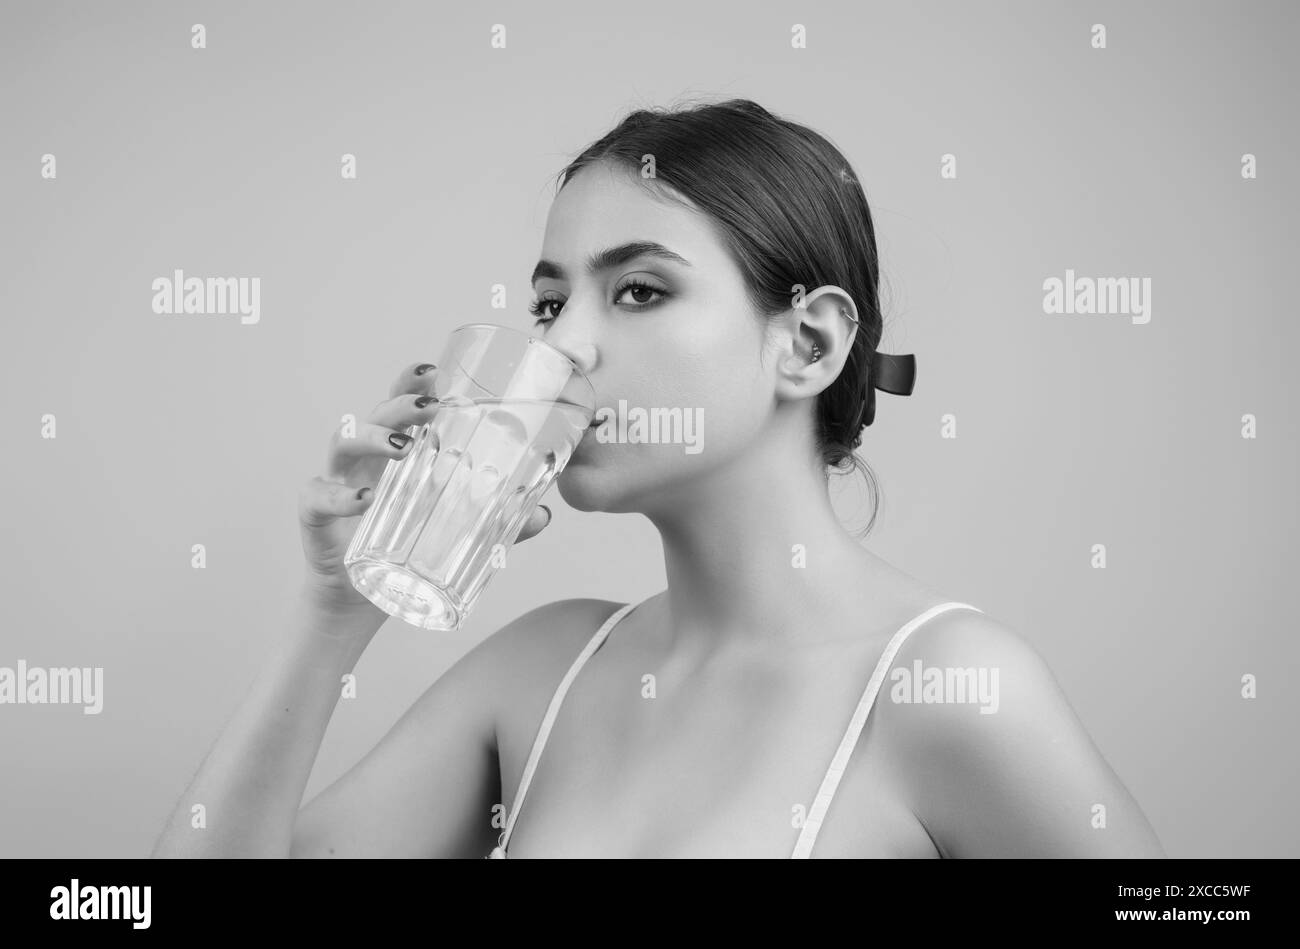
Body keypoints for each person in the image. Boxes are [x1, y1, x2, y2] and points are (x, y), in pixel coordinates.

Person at [151, 98, 1166, 859]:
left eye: (638, 290)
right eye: (549, 307)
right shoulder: (542, 671)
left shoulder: (949, 686)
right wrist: (335, 612)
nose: (566, 349)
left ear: (806, 344)